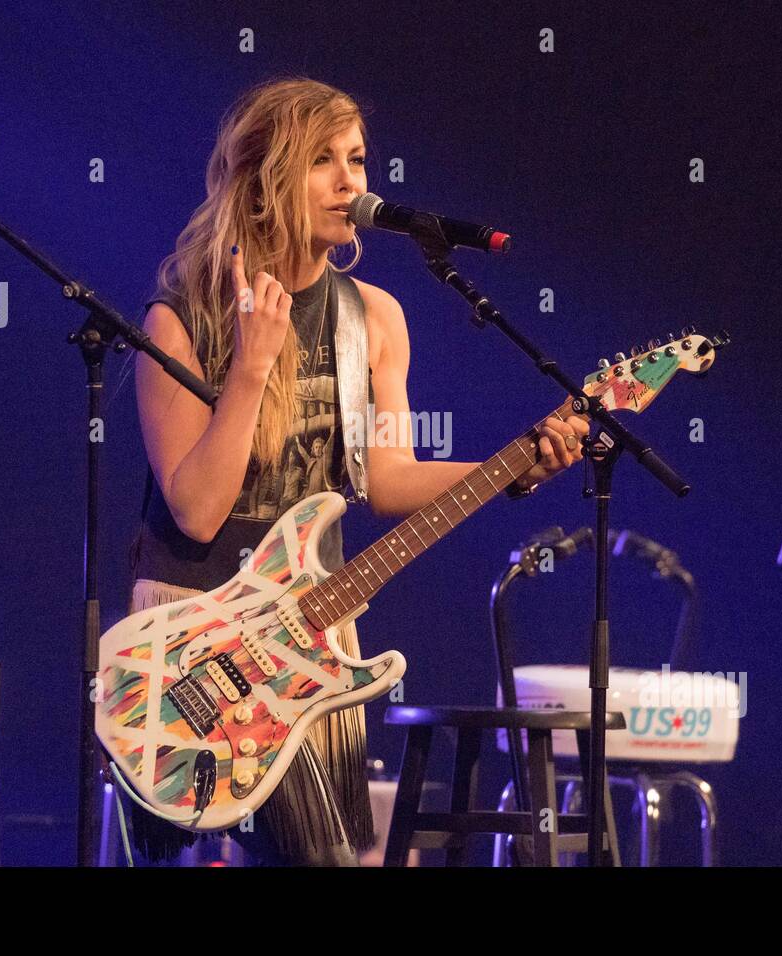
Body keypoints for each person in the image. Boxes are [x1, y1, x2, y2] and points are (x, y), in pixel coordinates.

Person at [124, 76, 588, 866]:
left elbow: (383, 478)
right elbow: (196, 510)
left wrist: (516, 467)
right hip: (194, 638)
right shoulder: (182, 318)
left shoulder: (373, 318)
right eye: (323, 162)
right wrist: (251, 367)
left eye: (359, 159)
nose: (353, 184)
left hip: (312, 633)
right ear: (266, 181)